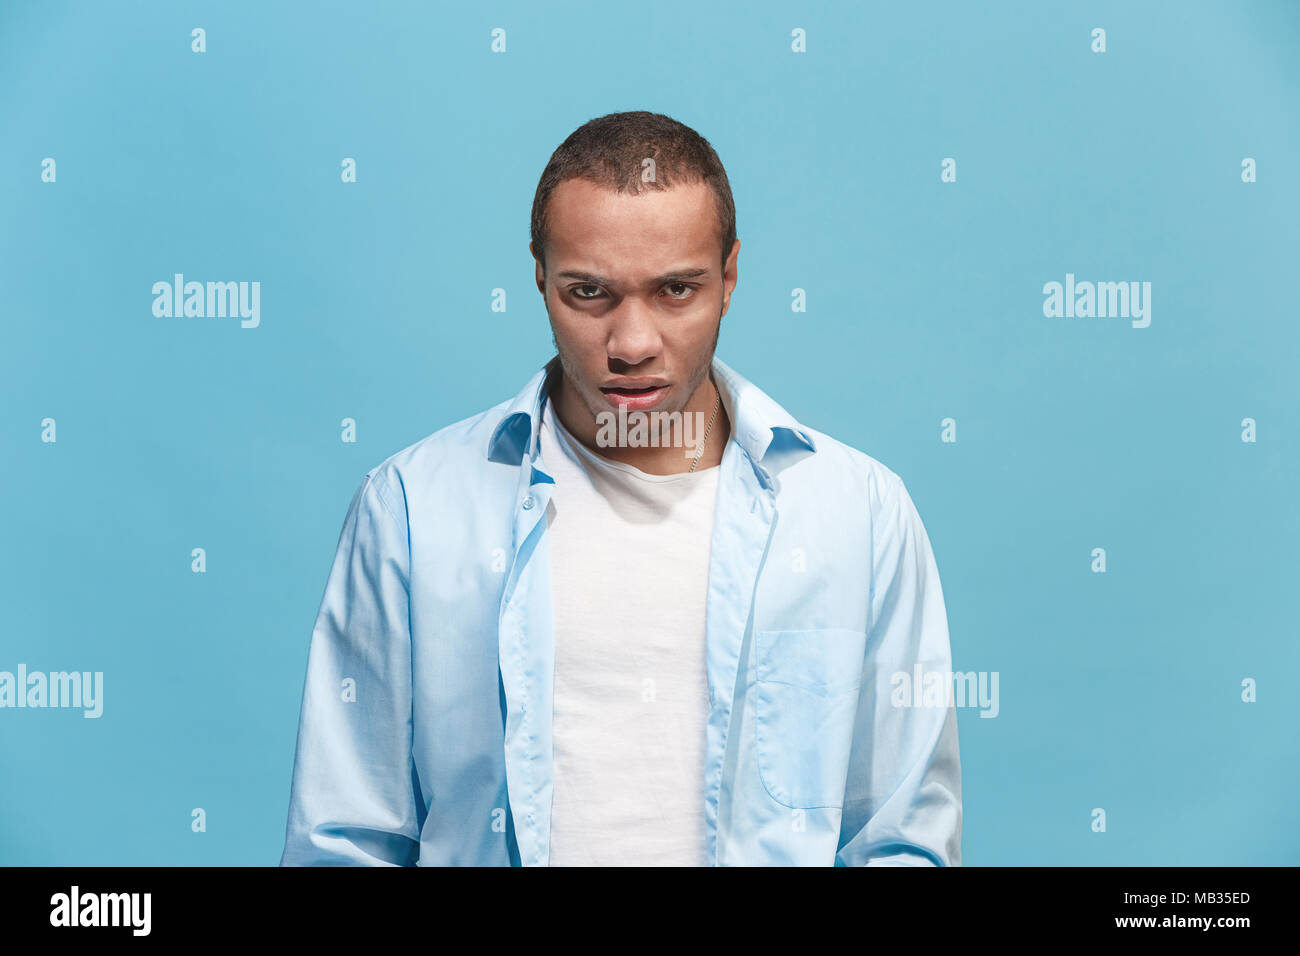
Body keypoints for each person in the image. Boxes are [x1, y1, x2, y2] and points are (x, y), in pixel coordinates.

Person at [279, 110, 961, 866]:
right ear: (539, 275)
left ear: (729, 277)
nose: (633, 344)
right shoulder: (411, 508)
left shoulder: (856, 513)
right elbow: (344, 842)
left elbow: (901, 840)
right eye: (589, 293)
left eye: (676, 290)